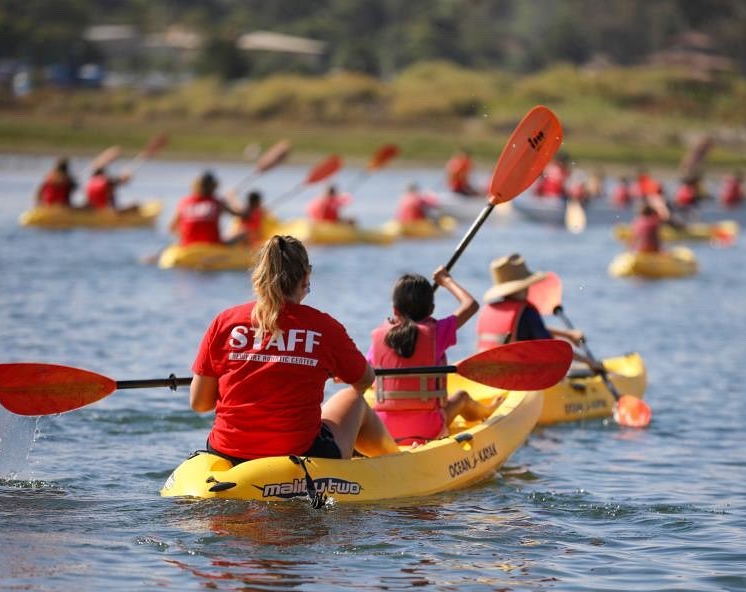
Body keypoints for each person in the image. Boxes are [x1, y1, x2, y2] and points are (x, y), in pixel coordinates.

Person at [190, 235, 399, 462]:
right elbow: (365, 381)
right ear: (305, 277)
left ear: (258, 276)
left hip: (226, 451)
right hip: (299, 454)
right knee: (355, 400)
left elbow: (200, 403)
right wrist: (332, 371)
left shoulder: (224, 322)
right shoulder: (324, 327)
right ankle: (398, 463)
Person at [368, 269, 499, 445]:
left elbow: (363, 374)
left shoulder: (380, 337)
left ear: (394, 310)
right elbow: (471, 305)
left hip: (384, 429)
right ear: (431, 309)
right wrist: (446, 280)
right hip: (428, 429)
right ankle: (488, 412)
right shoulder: (438, 332)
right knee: (461, 397)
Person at [475, 253, 601, 369]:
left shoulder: (491, 308)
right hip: (515, 374)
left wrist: (567, 334)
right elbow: (554, 348)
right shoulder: (528, 313)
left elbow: (524, 330)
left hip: (486, 370)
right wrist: (589, 362)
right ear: (524, 286)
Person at [168, 171, 244, 246]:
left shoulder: (184, 202)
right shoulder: (217, 203)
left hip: (188, 244)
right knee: (243, 234)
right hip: (213, 244)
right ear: (213, 186)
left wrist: (184, 238)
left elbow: (171, 227)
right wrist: (232, 198)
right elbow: (241, 215)